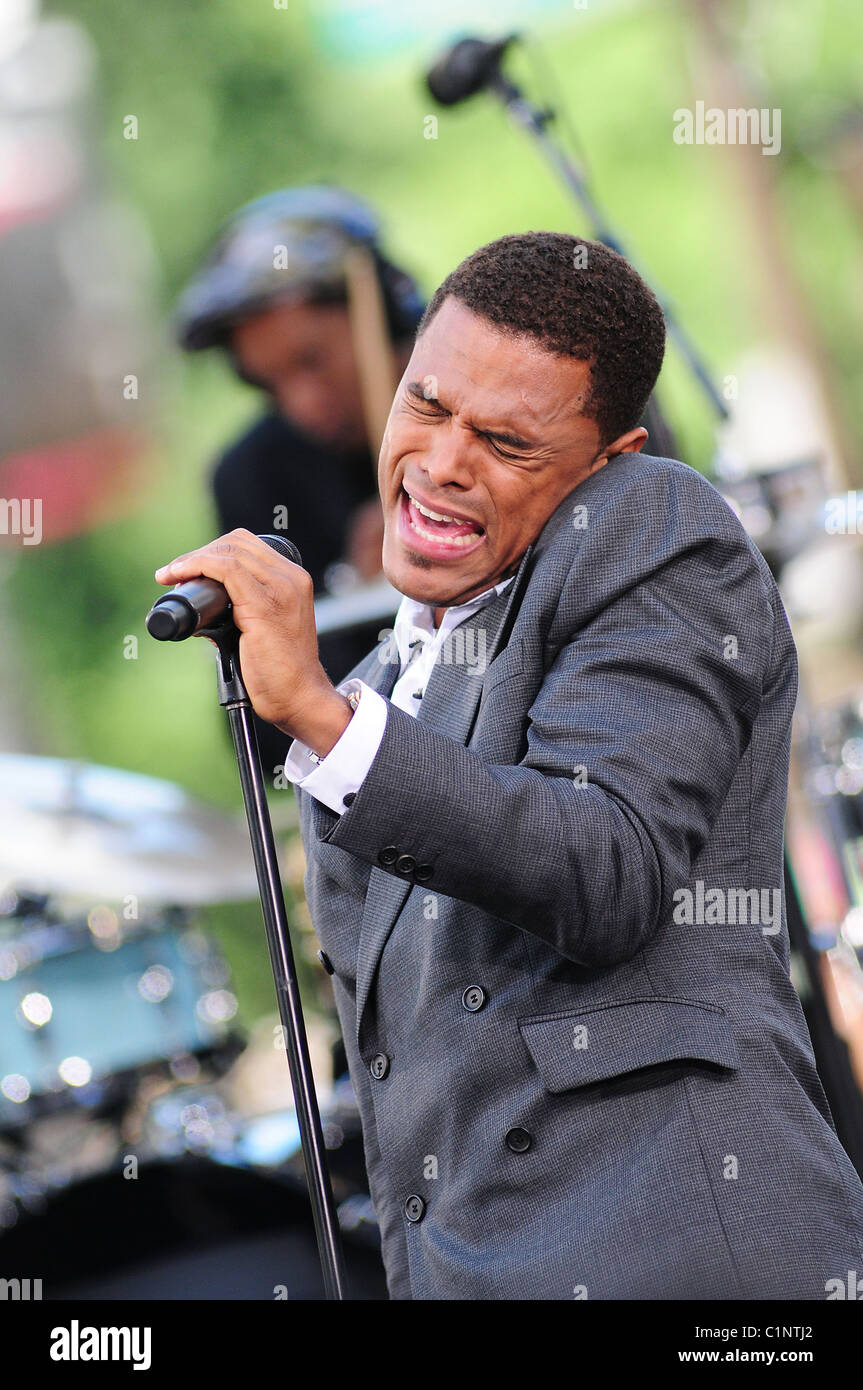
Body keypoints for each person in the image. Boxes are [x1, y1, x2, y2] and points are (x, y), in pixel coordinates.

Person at [156, 231, 863, 1299]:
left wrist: (319, 715)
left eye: (506, 441)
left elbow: (604, 865)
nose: (441, 462)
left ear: (603, 460)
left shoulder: (656, 529)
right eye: (427, 408)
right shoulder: (402, 664)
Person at [175, 186, 424, 772]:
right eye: (270, 384)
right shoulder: (251, 477)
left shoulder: (508, 398)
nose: (303, 406)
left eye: (311, 361)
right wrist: (358, 593)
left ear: (382, 316)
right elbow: (262, 743)